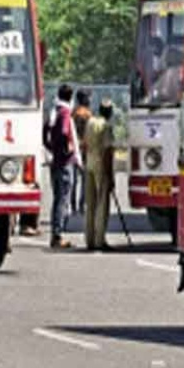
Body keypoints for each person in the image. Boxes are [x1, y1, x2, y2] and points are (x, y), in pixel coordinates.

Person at [45, 84, 82, 249]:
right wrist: (68, 150)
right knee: (63, 199)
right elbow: (64, 132)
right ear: (71, 97)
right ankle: (58, 235)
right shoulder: (65, 113)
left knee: (57, 197)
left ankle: (55, 232)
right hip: (64, 163)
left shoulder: (54, 111)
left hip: (55, 161)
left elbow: (45, 133)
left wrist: (51, 148)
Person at [83, 99, 116, 251]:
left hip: (89, 162)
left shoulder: (90, 122)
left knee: (90, 203)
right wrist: (111, 176)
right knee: (102, 204)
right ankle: (99, 240)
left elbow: (85, 144)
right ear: (109, 112)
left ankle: (89, 239)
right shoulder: (106, 126)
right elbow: (108, 152)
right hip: (100, 164)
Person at [71, 90, 93, 215]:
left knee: (73, 179)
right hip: (84, 149)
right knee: (85, 179)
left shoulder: (73, 113)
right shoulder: (87, 115)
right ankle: (82, 204)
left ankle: (72, 204)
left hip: (73, 149)